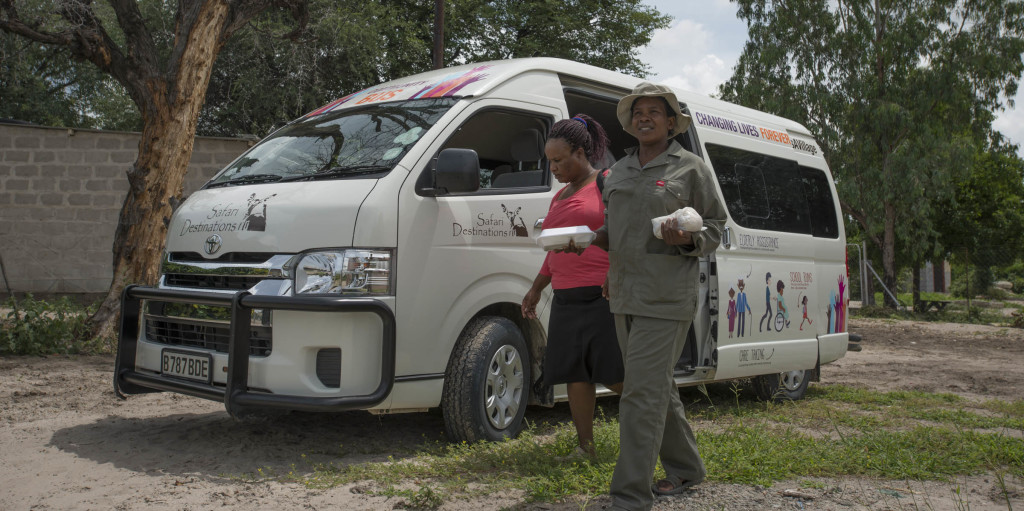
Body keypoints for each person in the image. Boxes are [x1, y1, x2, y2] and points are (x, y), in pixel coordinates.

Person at [585, 82, 727, 511]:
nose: (644, 118)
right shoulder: (618, 171)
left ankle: (630, 495)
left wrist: (687, 238)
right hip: (624, 293)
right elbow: (617, 230)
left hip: (666, 297)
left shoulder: (691, 168)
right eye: (638, 112)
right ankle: (686, 468)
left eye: (654, 112)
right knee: (655, 388)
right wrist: (585, 240)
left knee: (640, 394)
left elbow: (715, 227)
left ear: (670, 122)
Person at [521, 113, 624, 459]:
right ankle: (585, 448)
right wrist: (537, 288)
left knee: (613, 373)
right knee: (576, 373)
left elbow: (625, 233)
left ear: (580, 153)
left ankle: (658, 426)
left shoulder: (607, 183)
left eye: (559, 160)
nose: (553, 167)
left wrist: (617, 270)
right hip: (565, 296)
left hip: (602, 293)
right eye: (549, 161)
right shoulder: (559, 196)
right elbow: (553, 250)